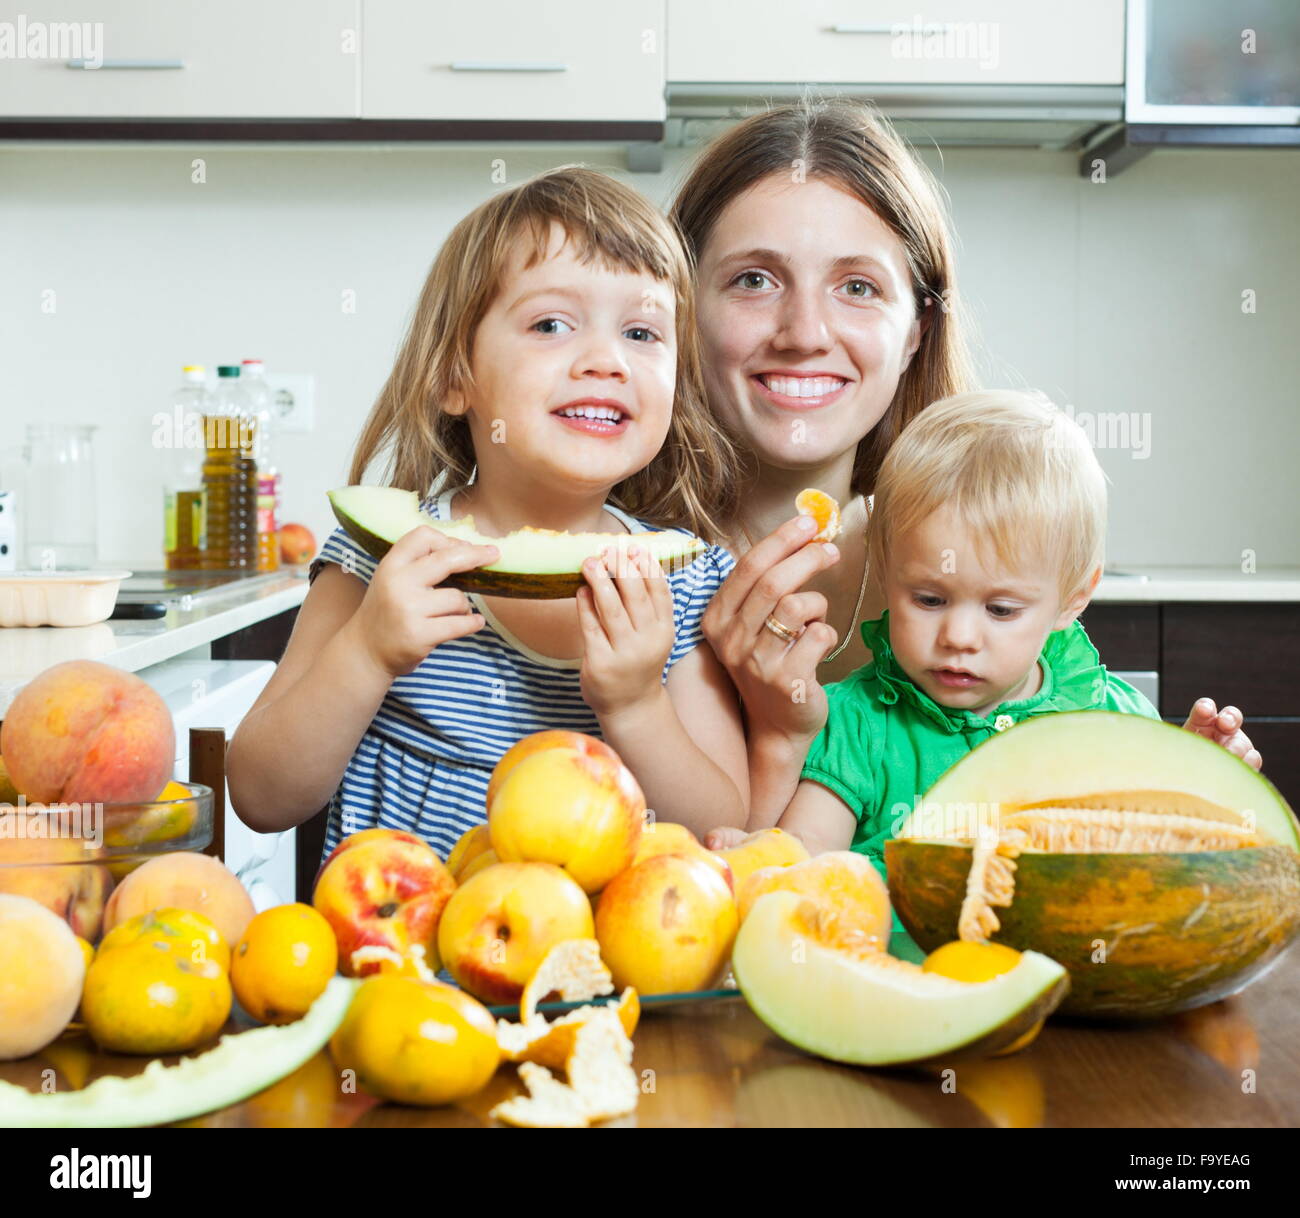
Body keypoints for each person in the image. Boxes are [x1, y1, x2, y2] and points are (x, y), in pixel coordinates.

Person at [227, 167, 749, 863]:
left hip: (605, 967)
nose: (606, 360)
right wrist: (367, 652)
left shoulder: (686, 582)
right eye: (551, 324)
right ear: (453, 376)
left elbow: (720, 827)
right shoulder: (379, 559)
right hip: (399, 961)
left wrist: (634, 704)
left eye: (642, 333)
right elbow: (262, 797)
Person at [730, 392, 1262, 894]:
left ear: (1074, 599)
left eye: (1001, 610)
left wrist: (1198, 779)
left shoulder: (1111, 720)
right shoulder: (854, 722)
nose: (959, 638)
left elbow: (1158, 854)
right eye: (930, 599)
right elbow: (811, 852)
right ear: (886, 570)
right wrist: (760, 859)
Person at [668, 96, 977, 824]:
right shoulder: (612, 565)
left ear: (915, 333)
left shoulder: (985, 553)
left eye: (858, 287)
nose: (804, 333)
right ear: (681, 305)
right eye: (754, 280)